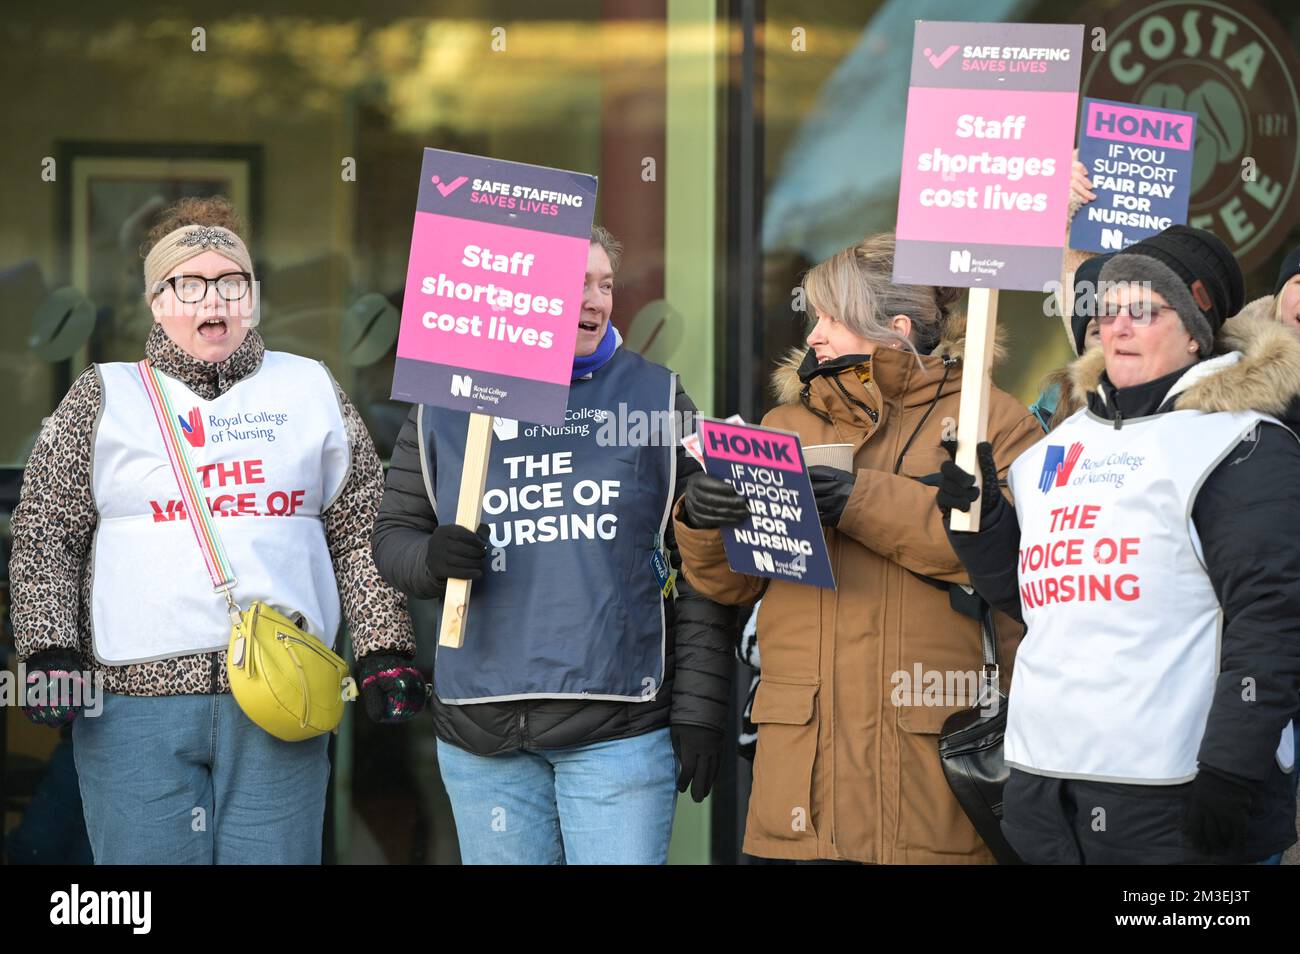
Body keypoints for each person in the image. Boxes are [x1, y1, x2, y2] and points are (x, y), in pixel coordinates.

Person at [8, 196, 420, 864]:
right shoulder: (104, 394)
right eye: (190, 284)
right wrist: (49, 648)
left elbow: (358, 525)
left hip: (280, 694)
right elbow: (46, 532)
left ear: (253, 297)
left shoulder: (309, 387)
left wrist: (384, 647)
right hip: (133, 703)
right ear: (156, 299)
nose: (215, 301)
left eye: (233, 283)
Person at [673, 233, 1043, 864]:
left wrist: (860, 500)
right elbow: (729, 587)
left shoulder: (995, 421)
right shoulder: (784, 425)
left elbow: (1016, 564)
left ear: (894, 327)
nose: (812, 335)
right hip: (799, 789)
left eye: (829, 317)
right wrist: (702, 521)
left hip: (933, 777)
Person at [371, 226, 735, 865]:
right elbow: (392, 538)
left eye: (605, 285)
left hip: (617, 729)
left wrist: (701, 706)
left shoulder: (654, 397)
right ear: (520, 300)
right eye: (575, 285)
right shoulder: (445, 407)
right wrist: (429, 560)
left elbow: (703, 554)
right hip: (481, 736)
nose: (596, 301)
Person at [937, 224, 1300, 864]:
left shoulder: (1241, 444)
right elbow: (1035, 603)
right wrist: (984, 526)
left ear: (1195, 331)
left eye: (1143, 311)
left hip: (1171, 793)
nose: (1117, 328)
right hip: (1045, 786)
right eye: (1107, 311)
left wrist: (1232, 769)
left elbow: (1271, 621)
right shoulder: (1058, 446)